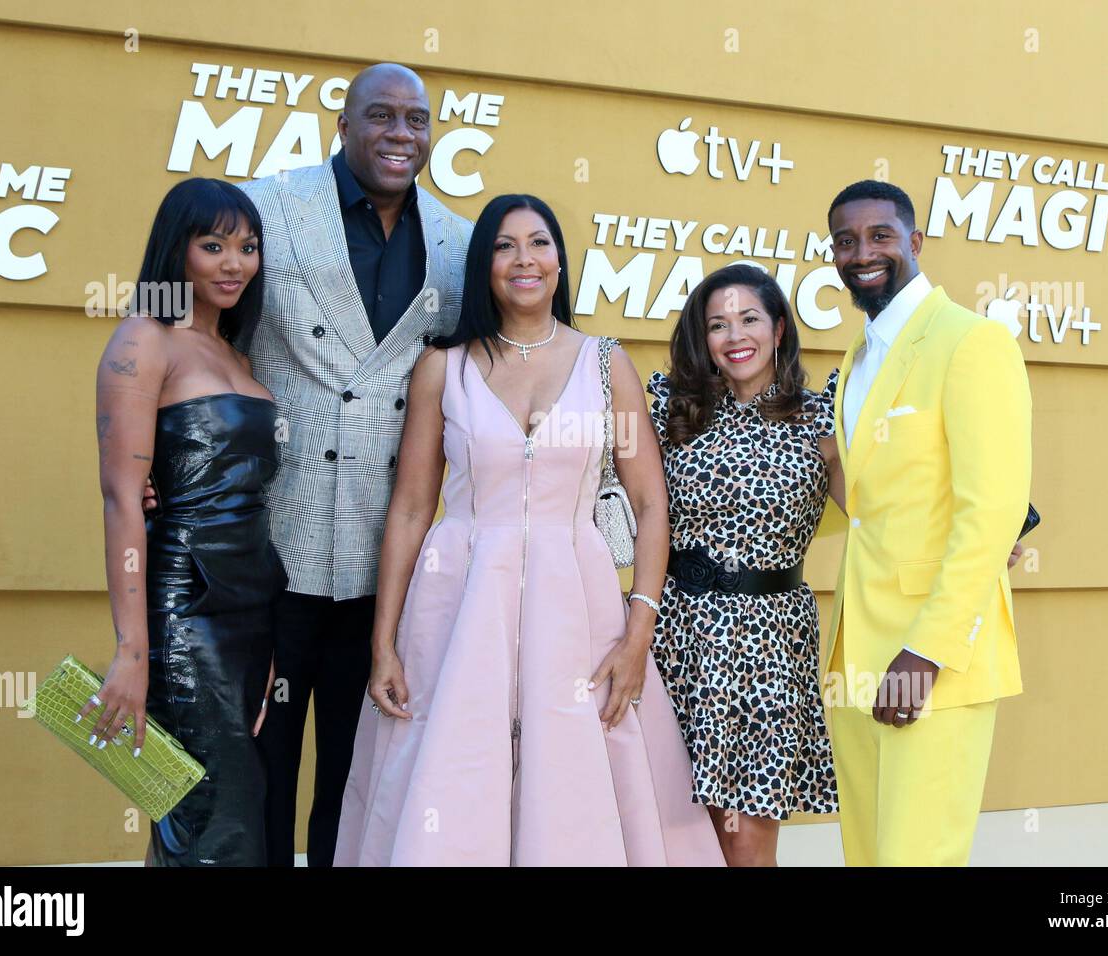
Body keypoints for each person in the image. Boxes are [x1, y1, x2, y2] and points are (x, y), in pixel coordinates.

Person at [138, 63, 472, 866]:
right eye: (381, 117)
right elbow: (163, 307)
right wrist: (152, 447)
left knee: (359, 783)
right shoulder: (268, 207)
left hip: (387, 559)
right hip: (263, 555)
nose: (401, 135)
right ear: (344, 123)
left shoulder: (462, 243)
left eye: (417, 120)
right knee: (251, 774)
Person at [333, 194, 724, 865]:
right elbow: (409, 506)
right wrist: (383, 641)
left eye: (539, 242)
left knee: (572, 774)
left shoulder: (606, 364)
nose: (524, 260)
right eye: (504, 246)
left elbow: (651, 504)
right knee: (456, 776)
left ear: (559, 259)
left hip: (577, 609)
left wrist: (639, 630)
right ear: (483, 265)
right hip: (455, 606)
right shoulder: (443, 367)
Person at [822, 180, 1032, 866]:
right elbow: (871, 507)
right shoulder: (858, 356)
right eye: (846, 241)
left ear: (915, 242)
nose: (863, 253)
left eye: (880, 235)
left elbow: (992, 511)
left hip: (931, 662)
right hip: (857, 657)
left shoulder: (972, 342)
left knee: (918, 858)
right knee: (871, 855)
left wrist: (926, 653)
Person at [82, 177, 285, 866]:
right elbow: (121, 500)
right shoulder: (144, 340)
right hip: (183, 610)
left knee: (223, 810)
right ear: (178, 251)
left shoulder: (236, 354)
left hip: (251, 613)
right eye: (213, 245)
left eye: (248, 247)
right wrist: (132, 652)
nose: (235, 263)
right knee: (212, 814)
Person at [646, 264, 842, 866]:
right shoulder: (669, 411)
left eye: (749, 318)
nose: (735, 335)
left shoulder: (822, 418)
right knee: (669, 828)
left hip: (767, 645)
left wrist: (993, 529)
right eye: (717, 325)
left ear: (779, 328)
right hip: (674, 635)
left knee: (746, 843)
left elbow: (888, 501)